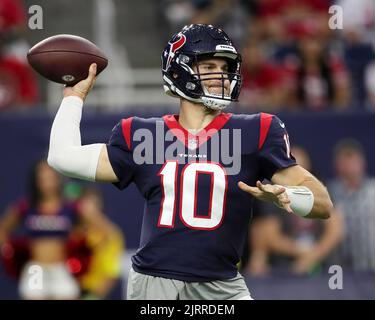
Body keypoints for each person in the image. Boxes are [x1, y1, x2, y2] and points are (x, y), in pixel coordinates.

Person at [47, 24, 333, 300]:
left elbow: (323, 205)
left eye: (224, 68)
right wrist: (75, 97)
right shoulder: (142, 134)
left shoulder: (257, 130)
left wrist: (288, 196)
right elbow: (63, 158)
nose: (220, 75)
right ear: (179, 69)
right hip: (155, 282)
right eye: (209, 67)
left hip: (222, 284)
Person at [0, 159, 118, 299]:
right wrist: (11, 253)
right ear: (36, 180)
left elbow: (107, 230)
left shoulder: (71, 207)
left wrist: (87, 250)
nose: (47, 182)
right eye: (43, 177)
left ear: (59, 179)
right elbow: (3, 229)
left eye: (51, 177)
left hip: (62, 269)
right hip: (35, 269)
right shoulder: (26, 207)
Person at [246, 146, 342, 276]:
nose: (297, 176)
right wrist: (300, 251)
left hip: (323, 268)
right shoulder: (274, 193)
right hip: (284, 269)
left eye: (302, 170)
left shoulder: (320, 193)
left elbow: (335, 229)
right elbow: (269, 236)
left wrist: (314, 255)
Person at [328, 139, 375, 271]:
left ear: (362, 163)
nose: (348, 166)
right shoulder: (330, 193)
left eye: (352, 160)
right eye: (344, 161)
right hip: (342, 271)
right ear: (336, 165)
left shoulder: (373, 190)